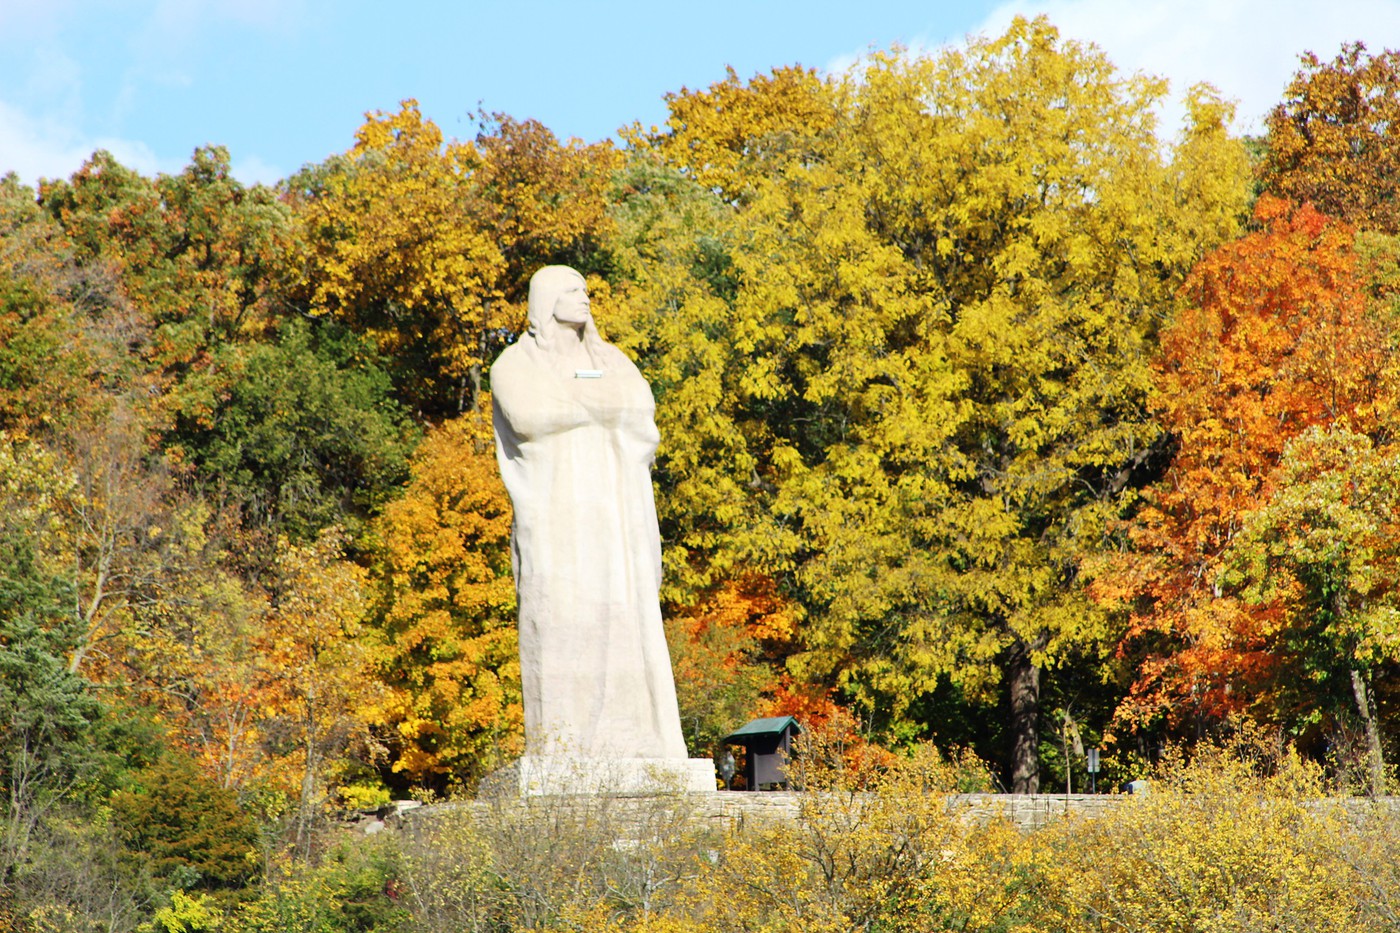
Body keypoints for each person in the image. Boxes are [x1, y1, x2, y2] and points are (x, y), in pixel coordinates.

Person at [490, 265, 688, 761]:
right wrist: (600, 408)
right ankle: (565, 746)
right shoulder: (514, 365)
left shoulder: (614, 360)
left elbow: (641, 413)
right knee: (559, 615)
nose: (584, 298)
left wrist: (582, 407)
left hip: (618, 515)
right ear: (547, 299)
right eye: (572, 290)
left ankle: (638, 740)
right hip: (558, 514)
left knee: (624, 613)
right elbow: (530, 416)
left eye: (586, 289)